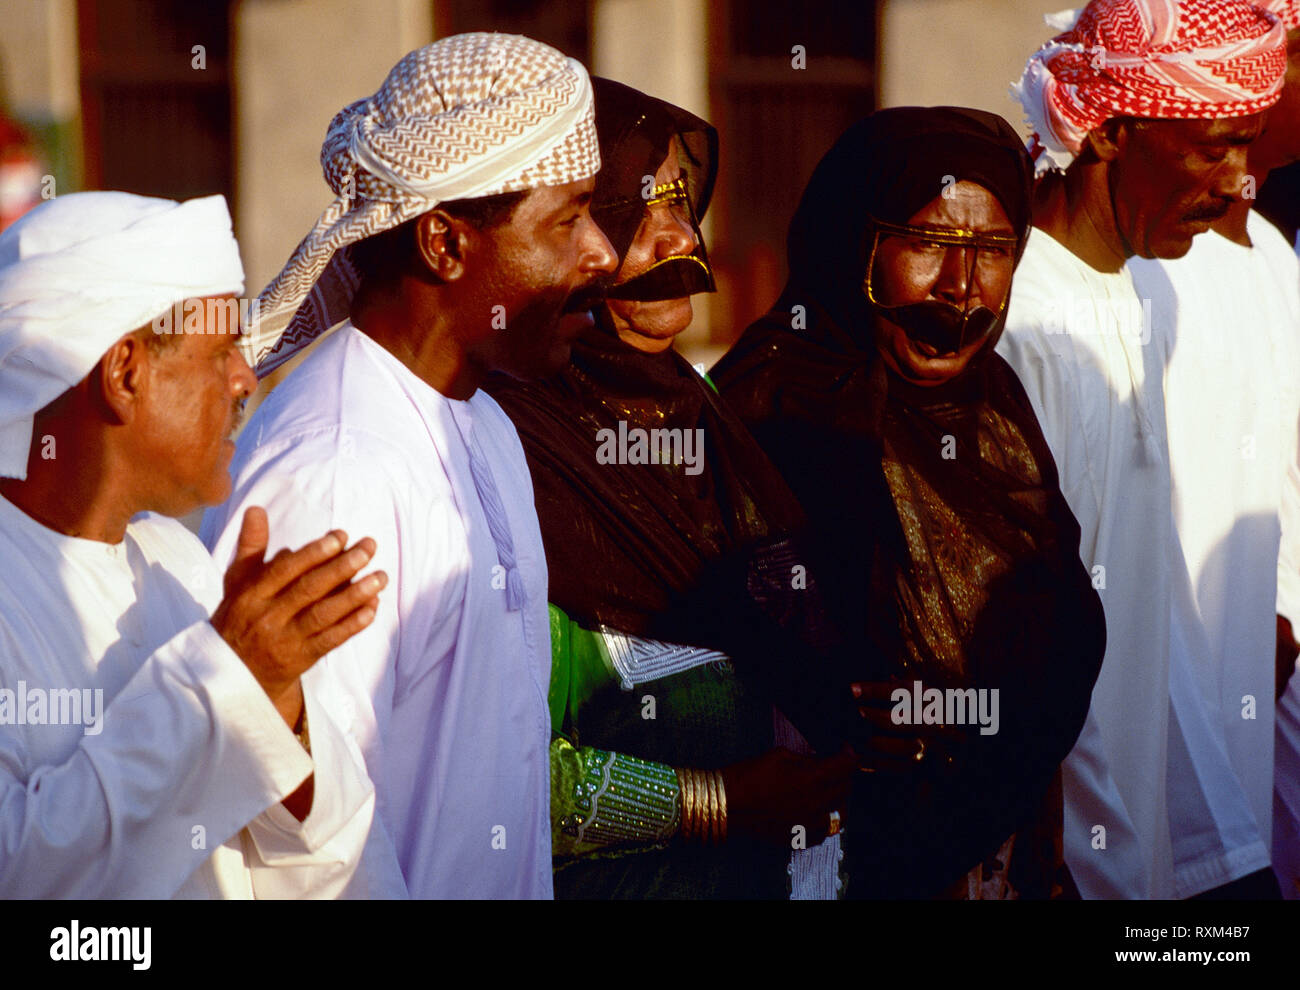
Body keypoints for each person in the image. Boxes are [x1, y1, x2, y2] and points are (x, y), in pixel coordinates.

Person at [201, 33, 618, 899]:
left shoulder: (490, 427)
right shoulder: (333, 470)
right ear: (444, 243)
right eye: (566, 219)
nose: (602, 256)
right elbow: (300, 842)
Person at [712, 106, 1106, 899]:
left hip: (1007, 852)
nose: (962, 290)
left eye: (992, 251)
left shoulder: (996, 406)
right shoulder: (767, 408)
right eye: (928, 244)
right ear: (854, 242)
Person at [486, 78, 856, 899]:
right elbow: (492, 776)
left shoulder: (704, 414)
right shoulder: (512, 441)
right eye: (632, 211)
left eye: (683, 206)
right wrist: (717, 801)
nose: (676, 238)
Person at [0, 191, 386, 898]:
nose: (245, 378)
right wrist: (223, 680)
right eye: (221, 353)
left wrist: (278, 699)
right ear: (124, 375)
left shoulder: (177, 562)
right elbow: (26, 875)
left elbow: (327, 858)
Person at [996, 0, 1289, 898]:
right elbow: (1025, 636)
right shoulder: (1027, 321)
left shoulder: (1139, 293)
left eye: (1249, 146)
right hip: (1075, 860)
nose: (1238, 180)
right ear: (1113, 130)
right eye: (1212, 147)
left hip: (1148, 841)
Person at [1125, 9, 1300, 899]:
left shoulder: (1272, 253)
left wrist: (1282, 612)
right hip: (1156, 704)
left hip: (1258, 674)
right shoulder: (1145, 270)